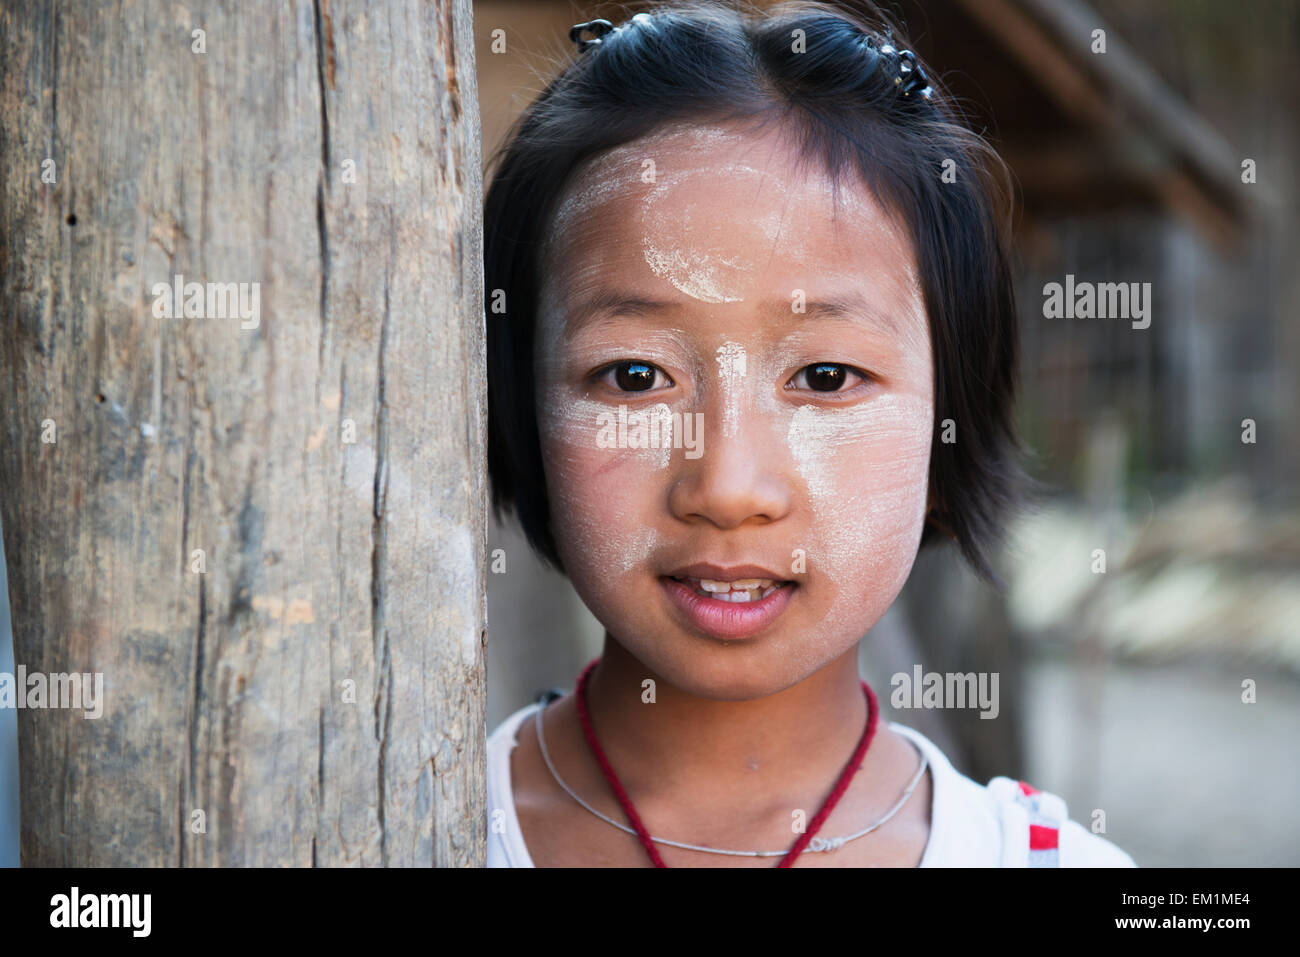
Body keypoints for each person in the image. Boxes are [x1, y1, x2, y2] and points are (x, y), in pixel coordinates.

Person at [482, 0, 1136, 867]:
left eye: (825, 377)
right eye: (636, 376)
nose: (728, 486)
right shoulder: (393, 829)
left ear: (951, 424)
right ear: (525, 412)